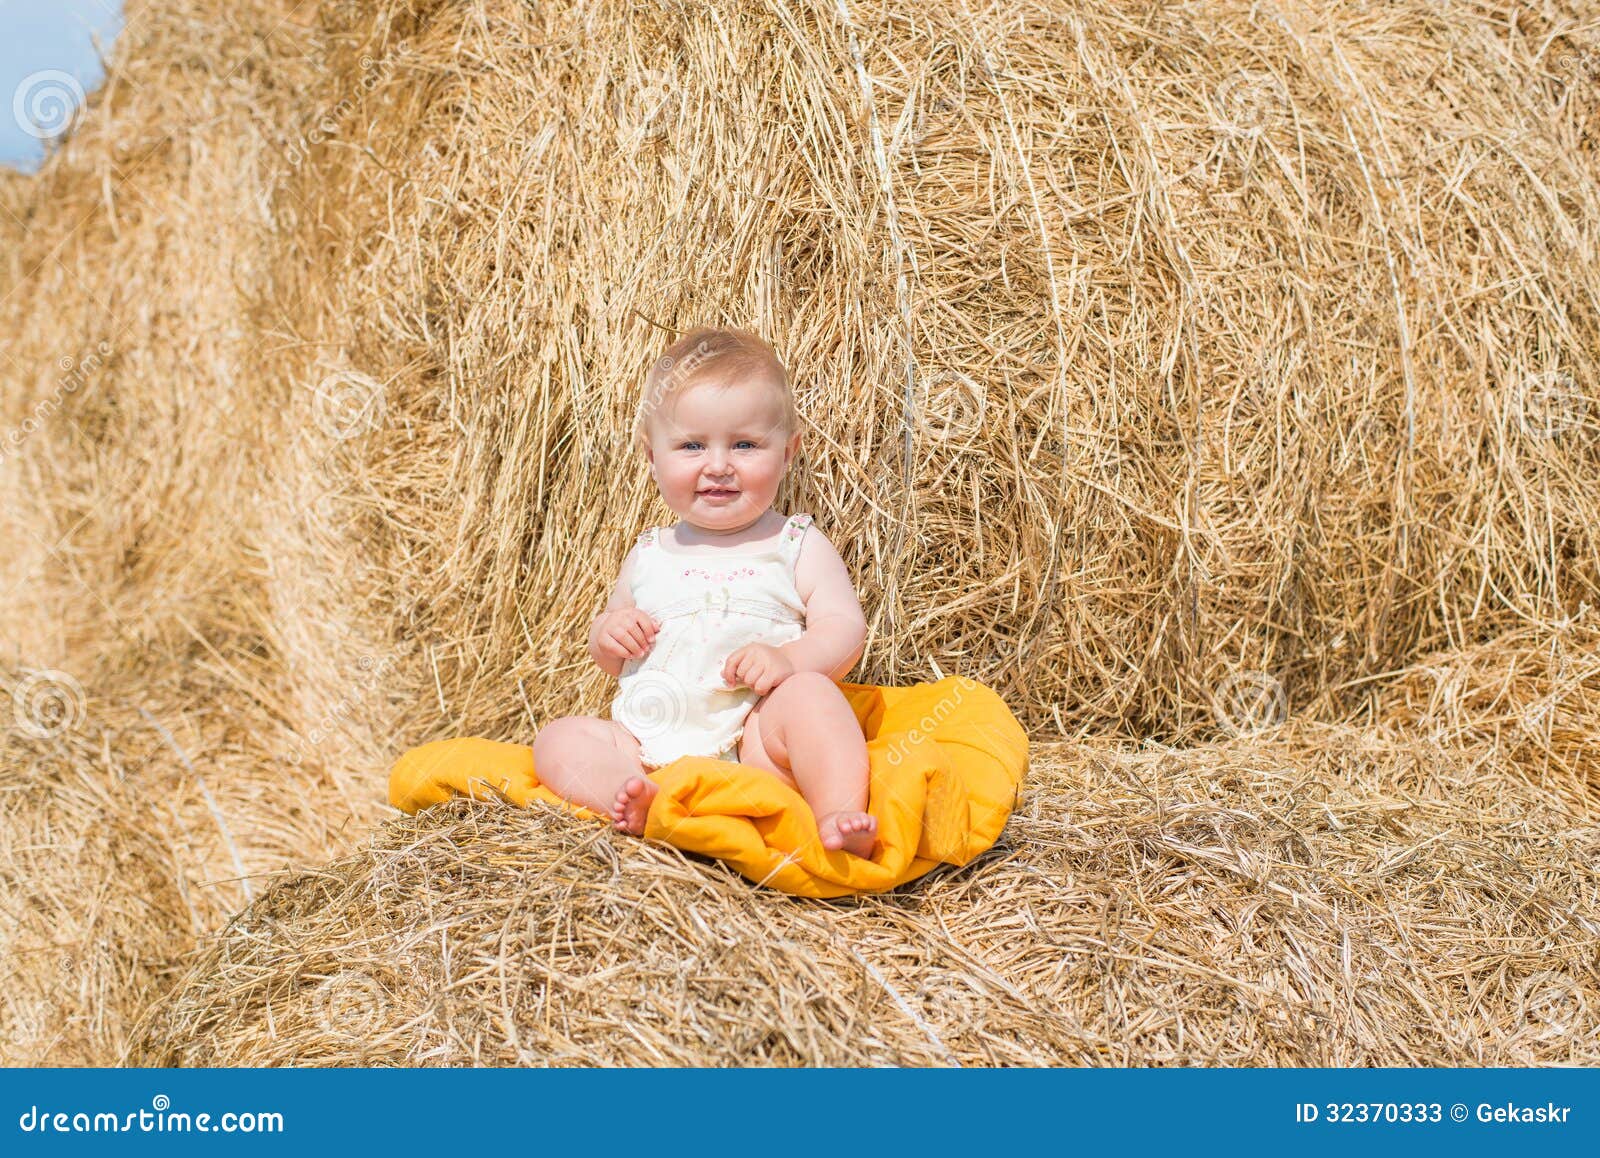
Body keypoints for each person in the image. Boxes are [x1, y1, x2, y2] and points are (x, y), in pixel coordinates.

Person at [531, 327, 878, 857]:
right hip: (649, 747)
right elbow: (609, 650)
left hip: (757, 743)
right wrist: (609, 633)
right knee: (559, 738)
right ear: (652, 458)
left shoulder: (794, 544)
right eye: (692, 446)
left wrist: (790, 660)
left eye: (745, 445)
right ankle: (635, 798)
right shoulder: (649, 553)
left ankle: (837, 811)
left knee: (813, 699)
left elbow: (844, 626)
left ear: (788, 454)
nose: (718, 465)